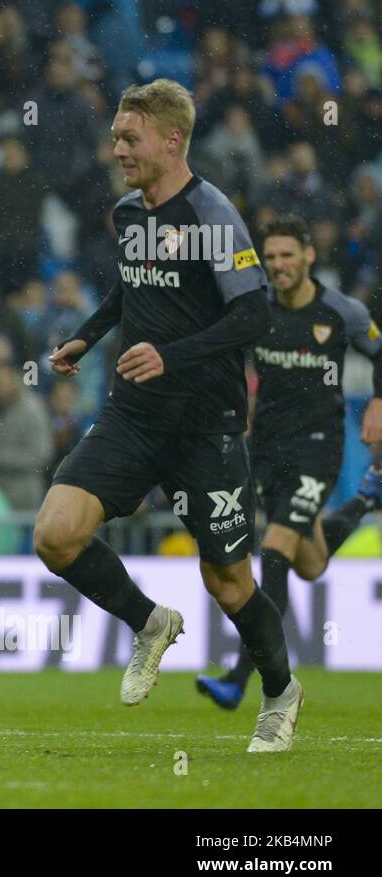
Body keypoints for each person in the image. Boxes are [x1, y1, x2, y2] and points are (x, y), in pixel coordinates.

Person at [34, 79, 301, 753]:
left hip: (205, 422)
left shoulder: (213, 215)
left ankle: (279, 690)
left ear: (172, 139)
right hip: (133, 413)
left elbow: (253, 312)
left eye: (131, 137)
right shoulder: (129, 215)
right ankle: (150, 621)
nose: (117, 147)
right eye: (117, 135)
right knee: (56, 534)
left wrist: (171, 354)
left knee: (229, 580)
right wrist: (87, 336)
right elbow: (132, 288)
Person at [198, 215, 382, 708]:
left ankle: (240, 677)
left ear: (308, 257)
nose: (278, 265)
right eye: (271, 257)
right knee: (311, 563)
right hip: (268, 450)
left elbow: (380, 351)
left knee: (275, 554)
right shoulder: (255, 311)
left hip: (318, 448)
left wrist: (379, 405)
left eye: (287, 255)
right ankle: (367, 498)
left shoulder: (339, 311)